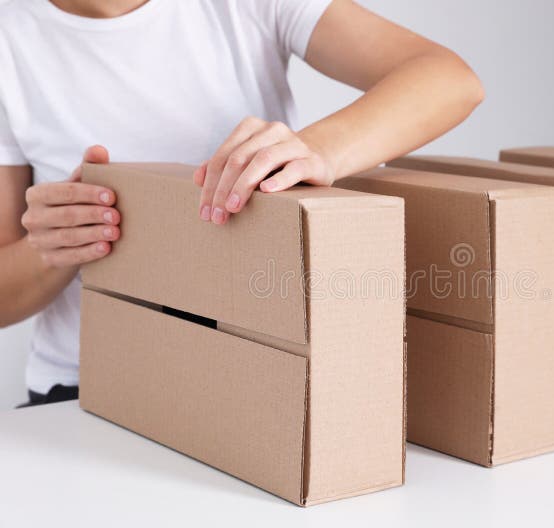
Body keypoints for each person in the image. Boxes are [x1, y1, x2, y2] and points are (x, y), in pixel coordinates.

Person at [0, 0, 483, 407]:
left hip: (257, 373)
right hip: (83, 391)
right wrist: (52, 248)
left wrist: (318, 148)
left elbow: (449, 79)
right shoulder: (11, 37)